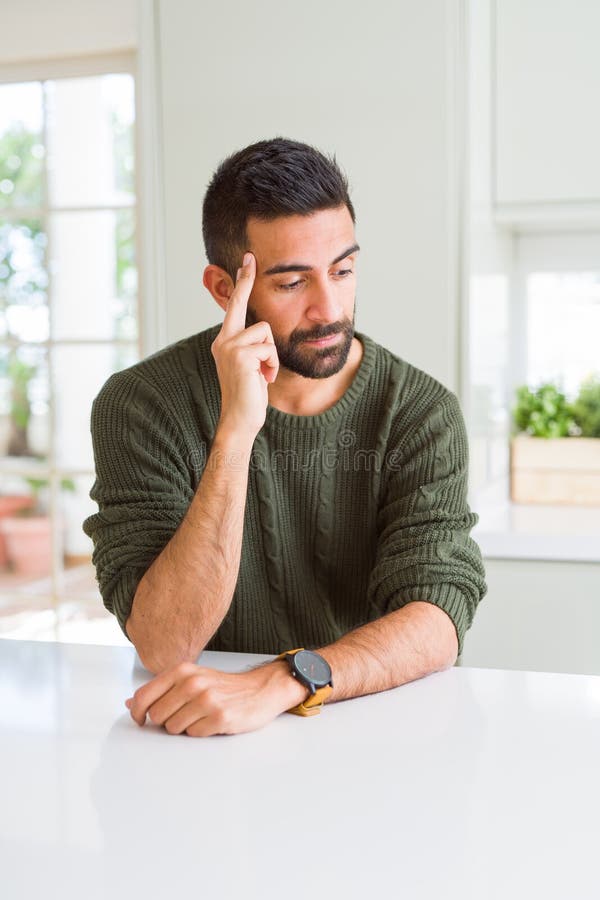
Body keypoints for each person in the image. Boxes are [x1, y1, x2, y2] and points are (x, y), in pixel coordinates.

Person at [83, 137, 487, 737]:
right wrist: (236, 434)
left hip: (375, 724)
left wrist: (283, 682)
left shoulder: (418, 412)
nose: (330, 308)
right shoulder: (142, 406)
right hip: (200, 741)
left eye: (343, 270)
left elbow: (436, 620)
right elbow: (166, 645)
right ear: (225, 290)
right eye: (293, 283)